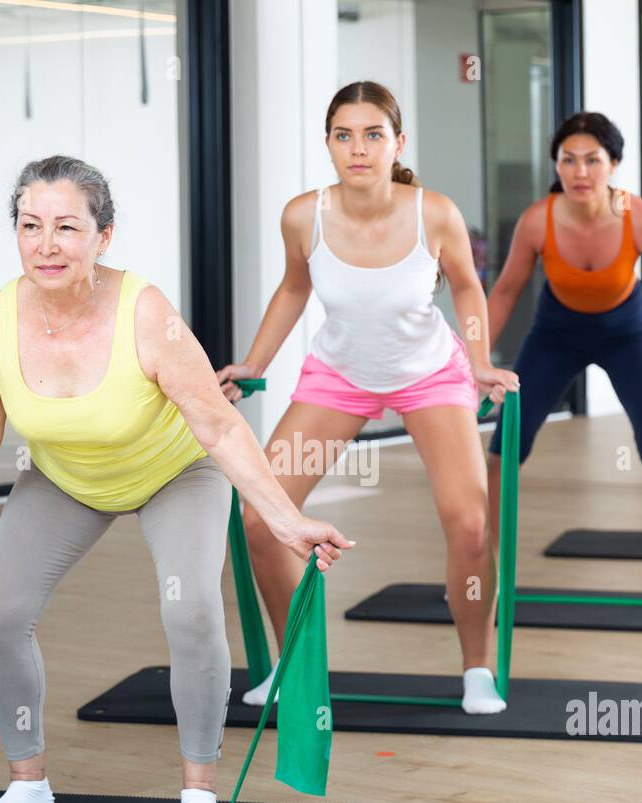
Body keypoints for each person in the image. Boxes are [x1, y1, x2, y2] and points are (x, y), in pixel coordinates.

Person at [0, 155, 353, 803]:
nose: (47, 244)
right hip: (66, 476)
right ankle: (28, 784)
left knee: (190, 608)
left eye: (67, 227)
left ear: (103, 236)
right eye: (30, 226)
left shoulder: (145, 313)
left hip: (175, 471)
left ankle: (198, 794)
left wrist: (286, 518)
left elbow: (216, 423)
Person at [216, 81, 519, 714]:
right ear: (328, 143)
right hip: (339, 375)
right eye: (343, 135)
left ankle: (477, 669)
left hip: (430, 375)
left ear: (397, 142)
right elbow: (294, 289)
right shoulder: (304, 215)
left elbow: (466, 287)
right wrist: (255, 362)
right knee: (259, 519)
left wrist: (479, 361)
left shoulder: (434, 212)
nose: (358, 149)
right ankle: (292, 665)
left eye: (373, 135)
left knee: (469, 524)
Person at [485, 112, 642, 613]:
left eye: (592, 160)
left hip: (626, 334)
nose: (580, 171)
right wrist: (474, 361)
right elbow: (504, 293)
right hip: (556, 334)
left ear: (613, 164)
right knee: (508, 441)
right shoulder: (539, 219)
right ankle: (482, 572)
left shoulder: (639, 216)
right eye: (568, 160)